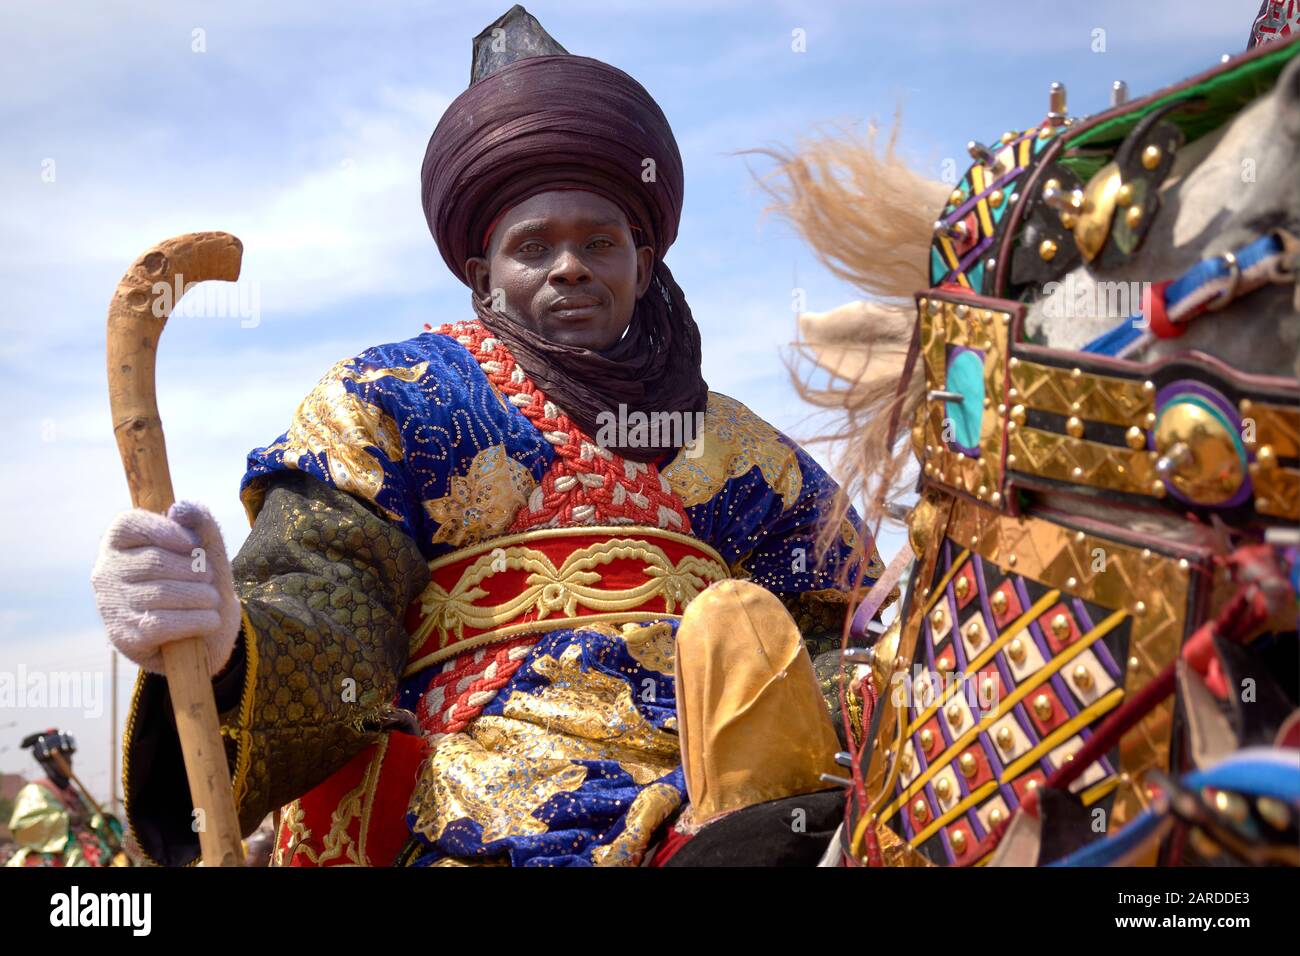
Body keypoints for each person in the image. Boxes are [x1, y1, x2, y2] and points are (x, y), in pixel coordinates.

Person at [91, 6, 884, 867]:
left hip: (729, 796)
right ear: (485, 277)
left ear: (643, 262)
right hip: (478, 805)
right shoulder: (398, 399)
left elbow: (845, 641)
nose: (570, 265)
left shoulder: (746, 452)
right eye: (533, 246)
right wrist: (225, 643)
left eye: (600, 242)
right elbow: (326, 603)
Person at [4, 730, 128, 867]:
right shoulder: (34, 791)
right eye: (63, 758)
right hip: (59, 853)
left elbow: (93, 819)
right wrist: (68, 818)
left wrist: (103, 821)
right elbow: (25, 825)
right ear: (47, 763)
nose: (68, 761)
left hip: (86, 848)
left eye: (69, 757)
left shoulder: (75, 793)